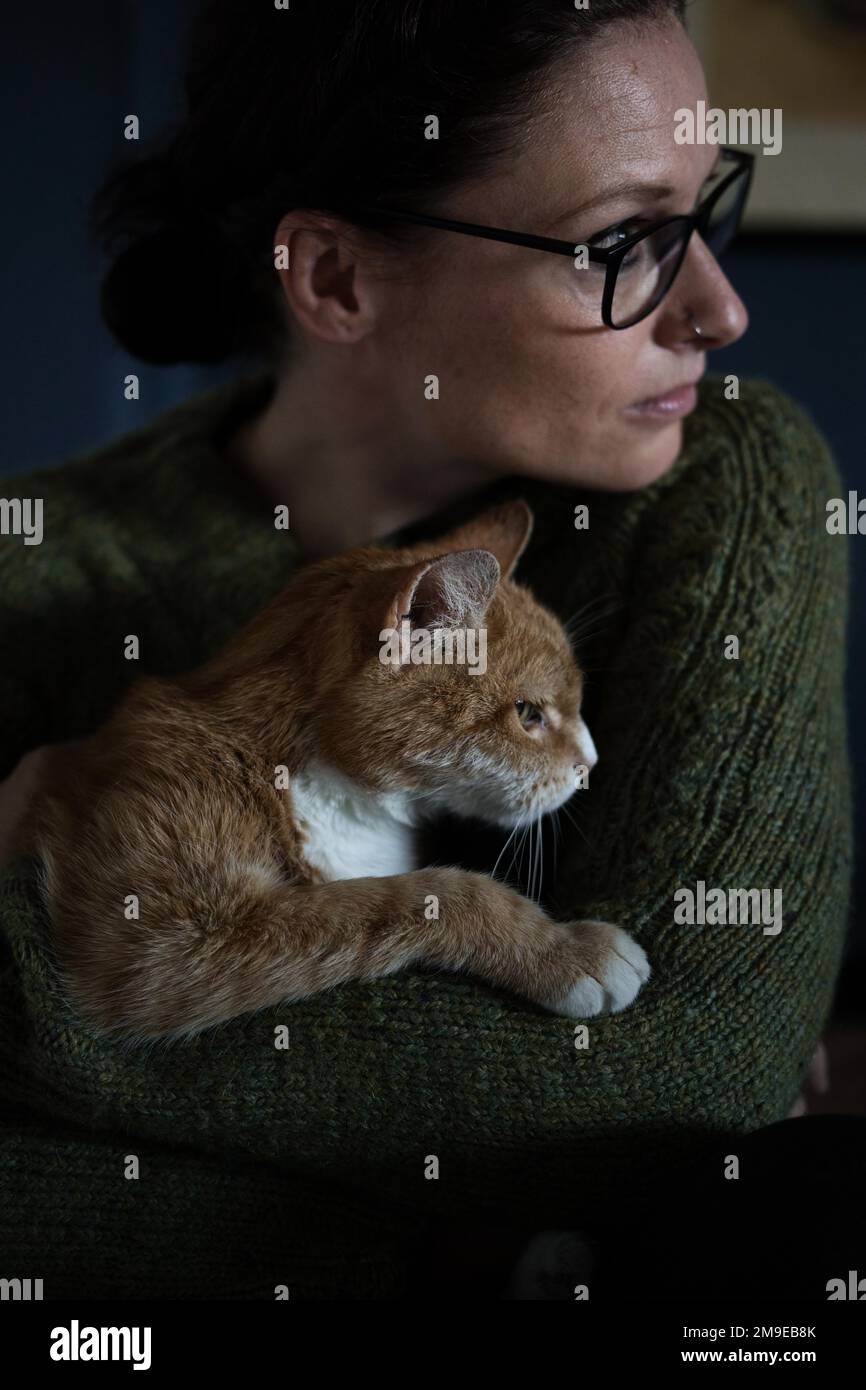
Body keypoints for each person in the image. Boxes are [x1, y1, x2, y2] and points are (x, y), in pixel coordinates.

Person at [0, 0, 852, 1300]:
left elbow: (680, 1079)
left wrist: (53, 1010)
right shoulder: (37, 569)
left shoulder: (723, 480)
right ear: (337, 278)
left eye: (704, 207)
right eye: (621, 240)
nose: (718, 308)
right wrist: (483, 1237)